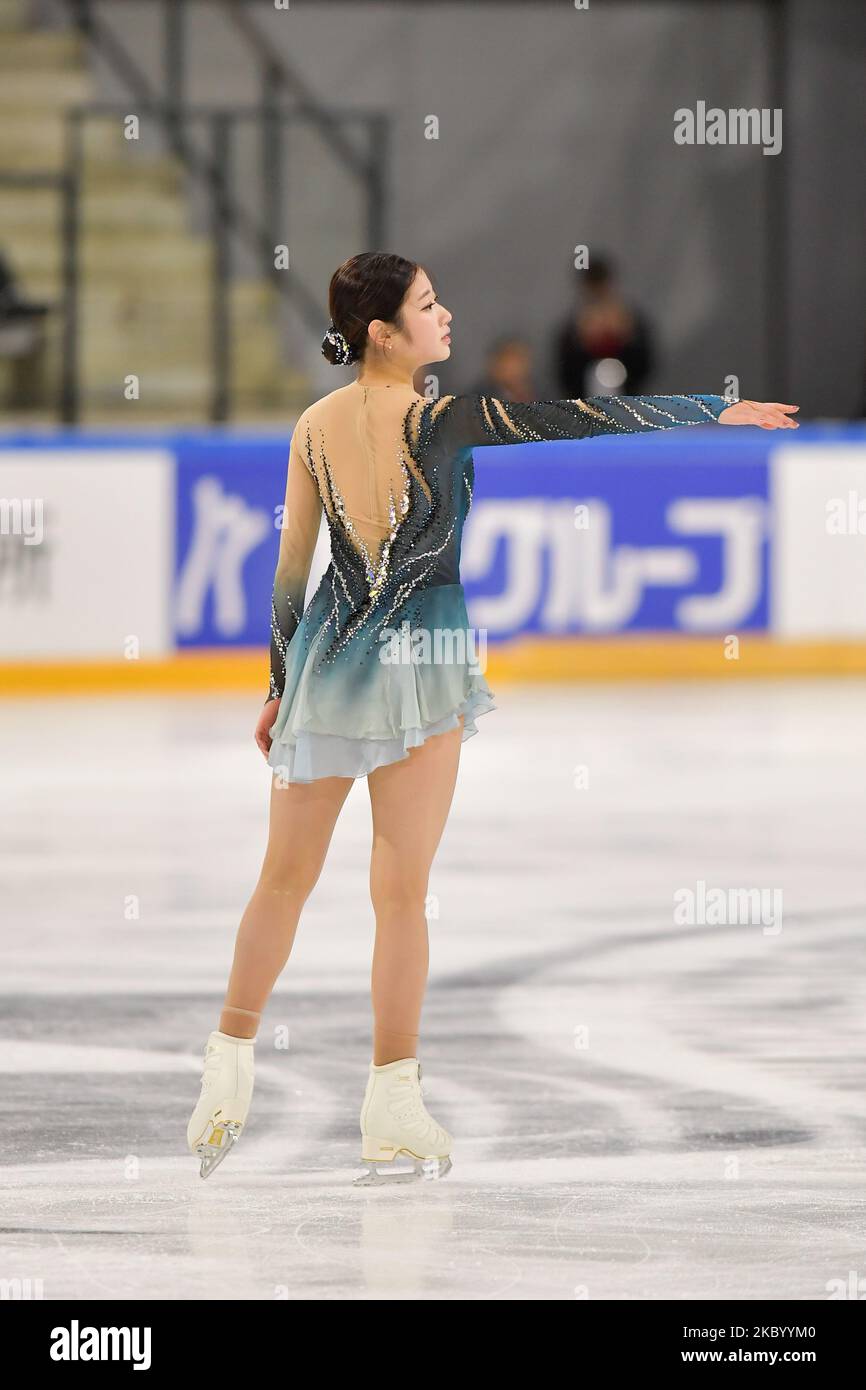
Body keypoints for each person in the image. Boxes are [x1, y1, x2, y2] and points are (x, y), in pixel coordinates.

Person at [186, 251, 799, 1185]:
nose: (447, 314)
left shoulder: (311, 427)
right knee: (401, 892)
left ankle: (225, 1074)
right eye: (427, 305)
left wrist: (279, 685)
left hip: (327, 664)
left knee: (282, 881)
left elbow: (288, 574)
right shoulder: (446, 418)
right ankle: (390, 1099)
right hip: (422, 666)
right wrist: (716, 409)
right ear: (383, 332)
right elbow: (585, 418)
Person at [554, 253, 654, 397]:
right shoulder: (573, 327)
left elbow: (644, 365)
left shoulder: (629, 320)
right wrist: (582, 340)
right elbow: (565, 373)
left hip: (627, 400)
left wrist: (625, 336)